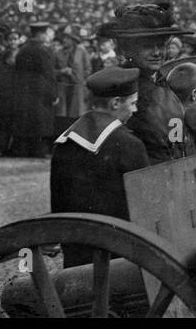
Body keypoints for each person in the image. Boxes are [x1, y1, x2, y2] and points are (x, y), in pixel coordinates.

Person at [49, 66, 150, 267]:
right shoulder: (130, 145)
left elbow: (58, 204)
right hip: (120, 257)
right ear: (115, 103)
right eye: (133, 103)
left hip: (76, 254)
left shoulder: (65, 142)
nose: (135, 109)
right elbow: (145, 207)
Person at [98, 3, 189, 165]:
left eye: (160, 45)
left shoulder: (162, 80)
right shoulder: (121, 87)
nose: (156, 52)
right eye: (147, 46)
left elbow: (175, 135)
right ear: (127, 50)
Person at [13, 22, 58, 158]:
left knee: (26, 121)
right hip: (40, 90)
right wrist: (54, 94)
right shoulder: (42, 51)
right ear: (40, 34)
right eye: (45, 33)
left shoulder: (22, 50)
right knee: (40, 122)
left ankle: (23, 151)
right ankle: (39, 151)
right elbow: (48, 74)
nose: (46, 36)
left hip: (23, 89)